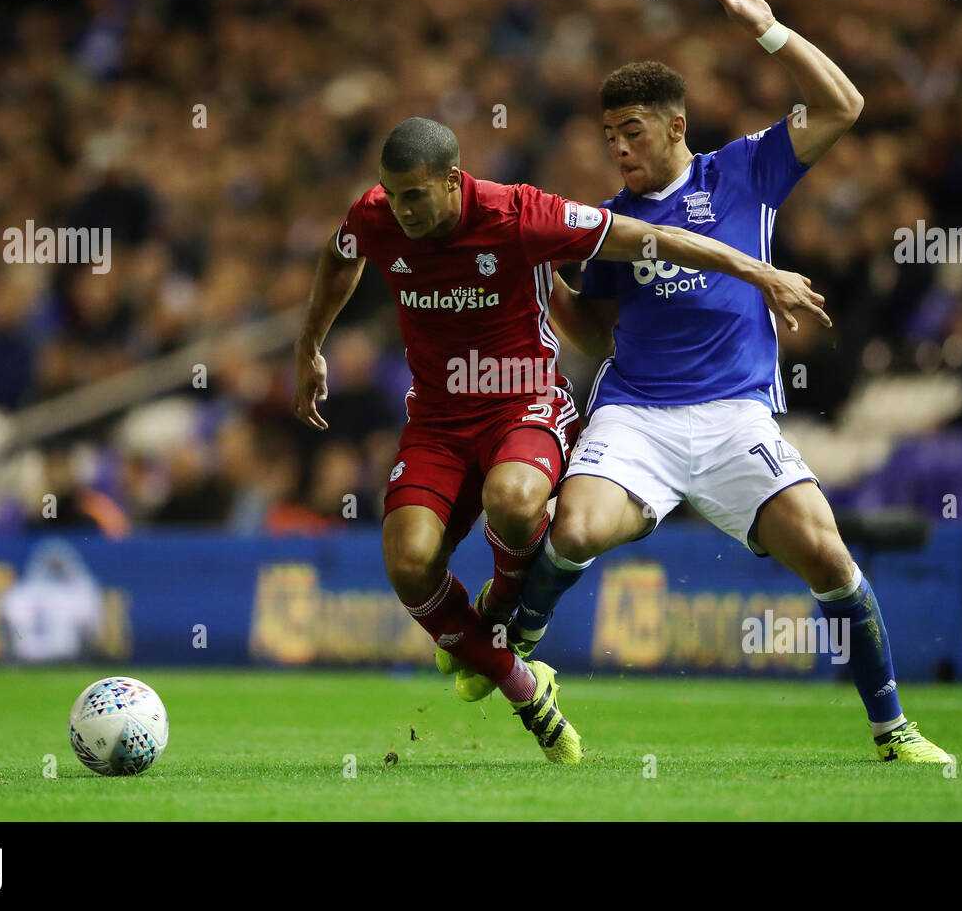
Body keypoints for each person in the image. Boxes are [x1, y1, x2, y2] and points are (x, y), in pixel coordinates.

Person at [498, 0, 950, 763]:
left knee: (829, 555)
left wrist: (769, 29)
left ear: (676, 126)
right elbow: (596, 338)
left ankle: (894, 730)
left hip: (734, 414)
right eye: (609, 135)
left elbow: (846, 107)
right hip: (636, 414)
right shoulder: (608, 223)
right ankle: (515, 649)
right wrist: (544, 278)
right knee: (572, 529)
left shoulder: (743, 170)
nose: (617, 147)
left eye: (631, 130)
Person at [293, 114, 828, 763]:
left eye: (415, 195)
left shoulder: (520, 214)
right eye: (392, 193)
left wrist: (758, 273)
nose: (401, 209)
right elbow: (338, 256)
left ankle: (503, 606)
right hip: (436, 420)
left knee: (515, 501)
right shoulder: (375, 216)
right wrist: (310, 346)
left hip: (524, 404)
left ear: (454, 182)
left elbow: (650, 237)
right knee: (408, 563)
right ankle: (521, 681)